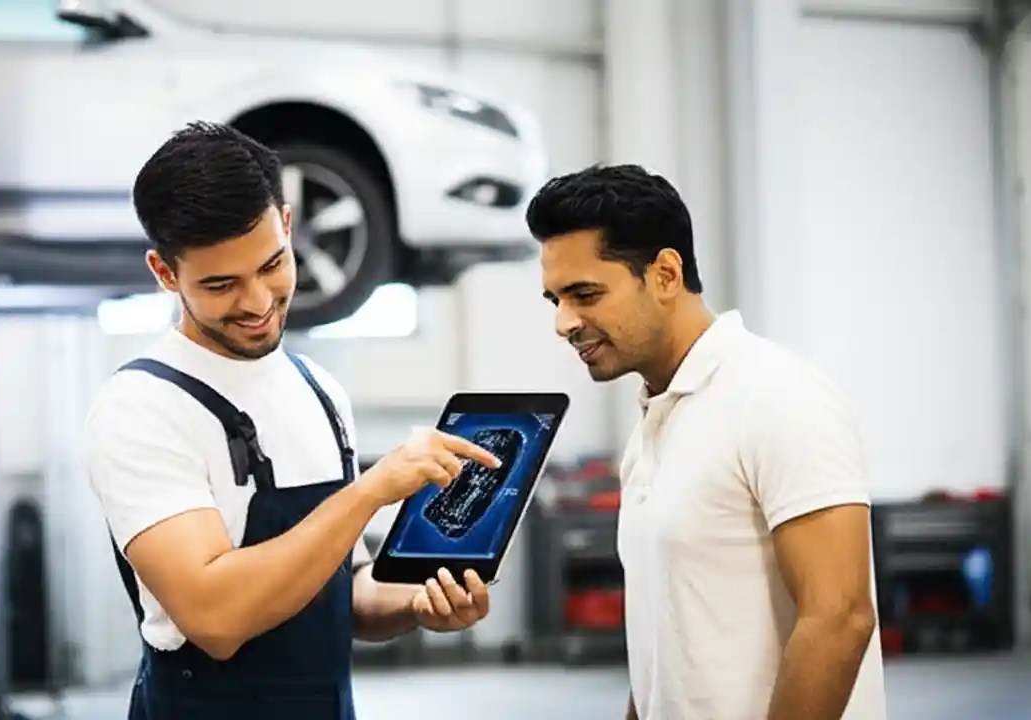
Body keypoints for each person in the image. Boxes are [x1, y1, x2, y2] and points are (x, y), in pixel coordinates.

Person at [83, 121, 501, 720]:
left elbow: (344, 592)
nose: (255, 302)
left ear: (286, 220)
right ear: (165, 273)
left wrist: (416, 604)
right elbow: (216, 617)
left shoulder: (319, 392)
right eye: (221, 284)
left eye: (272, 264)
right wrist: (372, 490)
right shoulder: (141, 409)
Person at [527, 164, 887, 720]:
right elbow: (662, 651)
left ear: (666, 274)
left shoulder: (779, 396)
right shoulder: (654, 425)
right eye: (555, 300)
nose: (564, 322)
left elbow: (840, 618)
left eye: (585, 294)